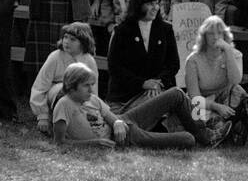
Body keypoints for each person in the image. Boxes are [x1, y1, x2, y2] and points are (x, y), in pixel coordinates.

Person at [52, 62, 208, 150]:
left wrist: (117, 122)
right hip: (123, 139)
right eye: (86, 86)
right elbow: (60, 143)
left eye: (91, 85)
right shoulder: (64, 105)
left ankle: (206, 135)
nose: (91, 89)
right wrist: (93, 144)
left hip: (124, 121)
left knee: (177, 93)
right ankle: (201, 137)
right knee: (188, 139)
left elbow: (111, 117)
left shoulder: (92, 99)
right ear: (72, 85)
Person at [105, 0, 180, 107]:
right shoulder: (122, 31)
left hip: (159, 90)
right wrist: (143, 83)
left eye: (156, 3)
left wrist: (157, 83)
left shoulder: (166, 29)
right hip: (126, 95)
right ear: (138, 5)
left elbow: (173, 64)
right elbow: (115, 67)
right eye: (150, 4)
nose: (155, 8)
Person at [29, 21, 97, 134]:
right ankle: (58, 123)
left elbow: (93, 90)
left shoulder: (89, 60)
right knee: (65, 90)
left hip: (80, 99)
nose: (67, 42)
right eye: (65, 37)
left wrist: (92, 111)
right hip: (56, 94)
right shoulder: (55, 56)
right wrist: (42, 115)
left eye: (72, 39)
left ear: (83, 42)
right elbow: (40, 86)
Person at [184, 15, 248, 127]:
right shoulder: (193, 60)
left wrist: (228, 50)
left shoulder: (234, 54)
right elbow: (195, 97)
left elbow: (235, 80)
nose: (215, 37)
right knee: (204, 121)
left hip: (225, 97)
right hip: (202, 102)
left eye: (219, 33)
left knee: (238, 90)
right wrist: (216, 107)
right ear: (204, 36)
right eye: (211, 34)